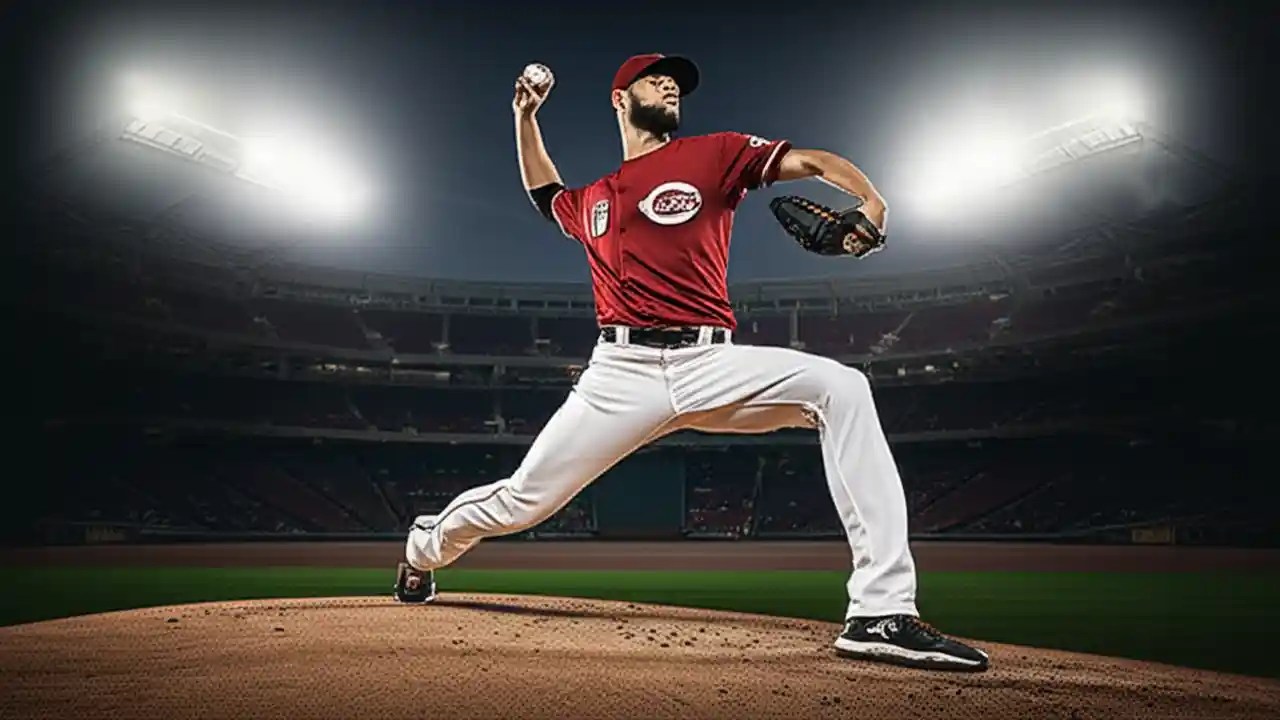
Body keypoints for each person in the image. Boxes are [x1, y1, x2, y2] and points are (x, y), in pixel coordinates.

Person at [393, 53, 989, 672]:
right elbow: (546, 193)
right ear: (621, 100)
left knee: (842, 389)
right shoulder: (594, 199)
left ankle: (880, 611)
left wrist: (870, 197)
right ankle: (423, 546)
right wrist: (525, 115)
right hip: (618, 377)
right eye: (655, 78)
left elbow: (811, 161)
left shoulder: (716, 154)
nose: (671, 84)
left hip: (709, 362)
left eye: (675, 81)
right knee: (523, 501)